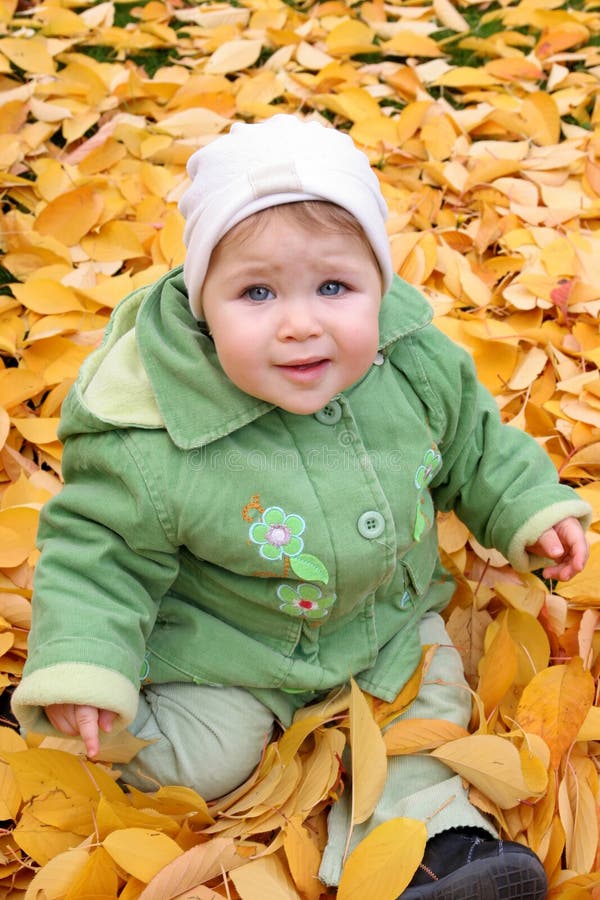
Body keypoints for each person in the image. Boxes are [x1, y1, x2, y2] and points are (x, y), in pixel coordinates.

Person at [12, 114, 590, 899]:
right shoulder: (151, 430)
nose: (300, 322)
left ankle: (434, 856)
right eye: (256, 291)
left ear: (378, 284)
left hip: (387, 623)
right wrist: (86, 662)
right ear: (200, 300)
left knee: (430, 715)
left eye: (333, 287)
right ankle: (51, 727)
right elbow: (99, 553)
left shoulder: (412, 364)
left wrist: (526, 506)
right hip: (225, 650)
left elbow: (475, 446)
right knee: (202, 761)